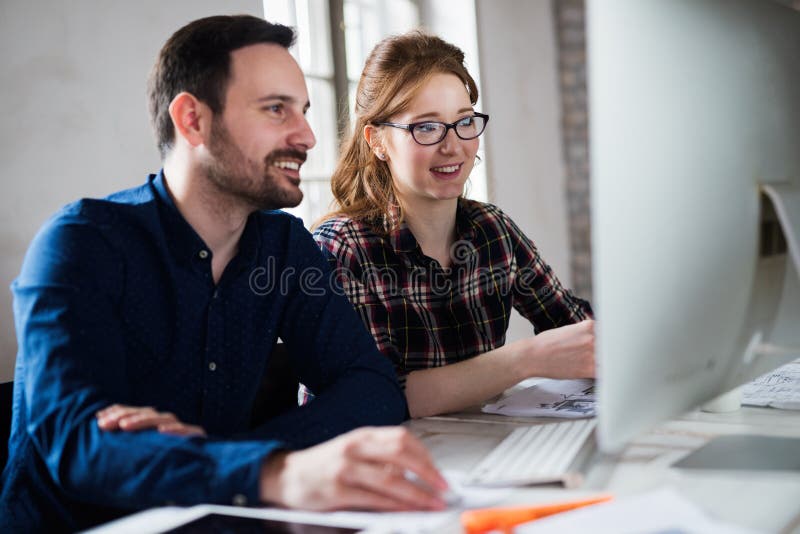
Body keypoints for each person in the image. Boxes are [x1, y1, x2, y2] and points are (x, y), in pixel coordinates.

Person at [0, 16, 448, 532]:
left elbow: (373, 388)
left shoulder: (284, 246)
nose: (306, 136)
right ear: (192, 119)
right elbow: (79, 446)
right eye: (276, 109)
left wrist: (226, 459)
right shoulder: (81, 243)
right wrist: (273, 472)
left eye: (303, 111)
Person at [311, 32, 595, 419]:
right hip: (379, 466)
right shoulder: (342, 248)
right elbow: (376, 396)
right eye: (426, 127)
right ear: (377, 141)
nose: (454, 146)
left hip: (478, 456)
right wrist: (523, 360)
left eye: (464, 121)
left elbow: (575, 327)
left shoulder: (493, 231)